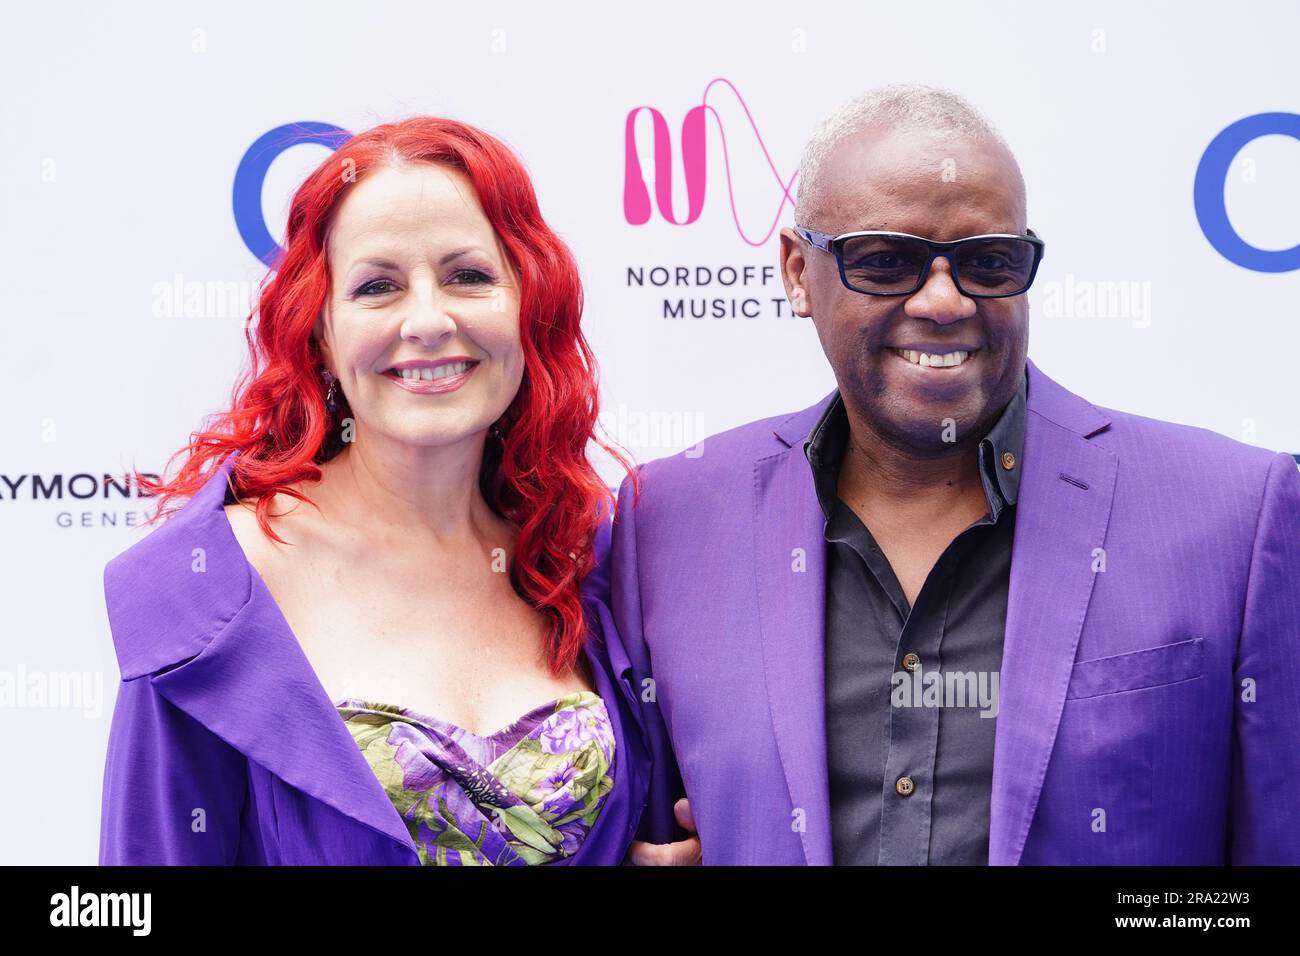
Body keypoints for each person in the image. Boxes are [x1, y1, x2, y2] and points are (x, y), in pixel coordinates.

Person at [621, 84, 1300, 865]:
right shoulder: (667, 519)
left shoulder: (1235, 515)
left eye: (988, 261)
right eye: (885, 261)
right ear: (798, 272)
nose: (943, 301)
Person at [98, 116, 679, 865]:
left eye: (469, 276)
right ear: (320, 334)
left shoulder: (587, 557)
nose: (430, 321)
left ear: (528, 304)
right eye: (378, 286)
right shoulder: (212, 592)